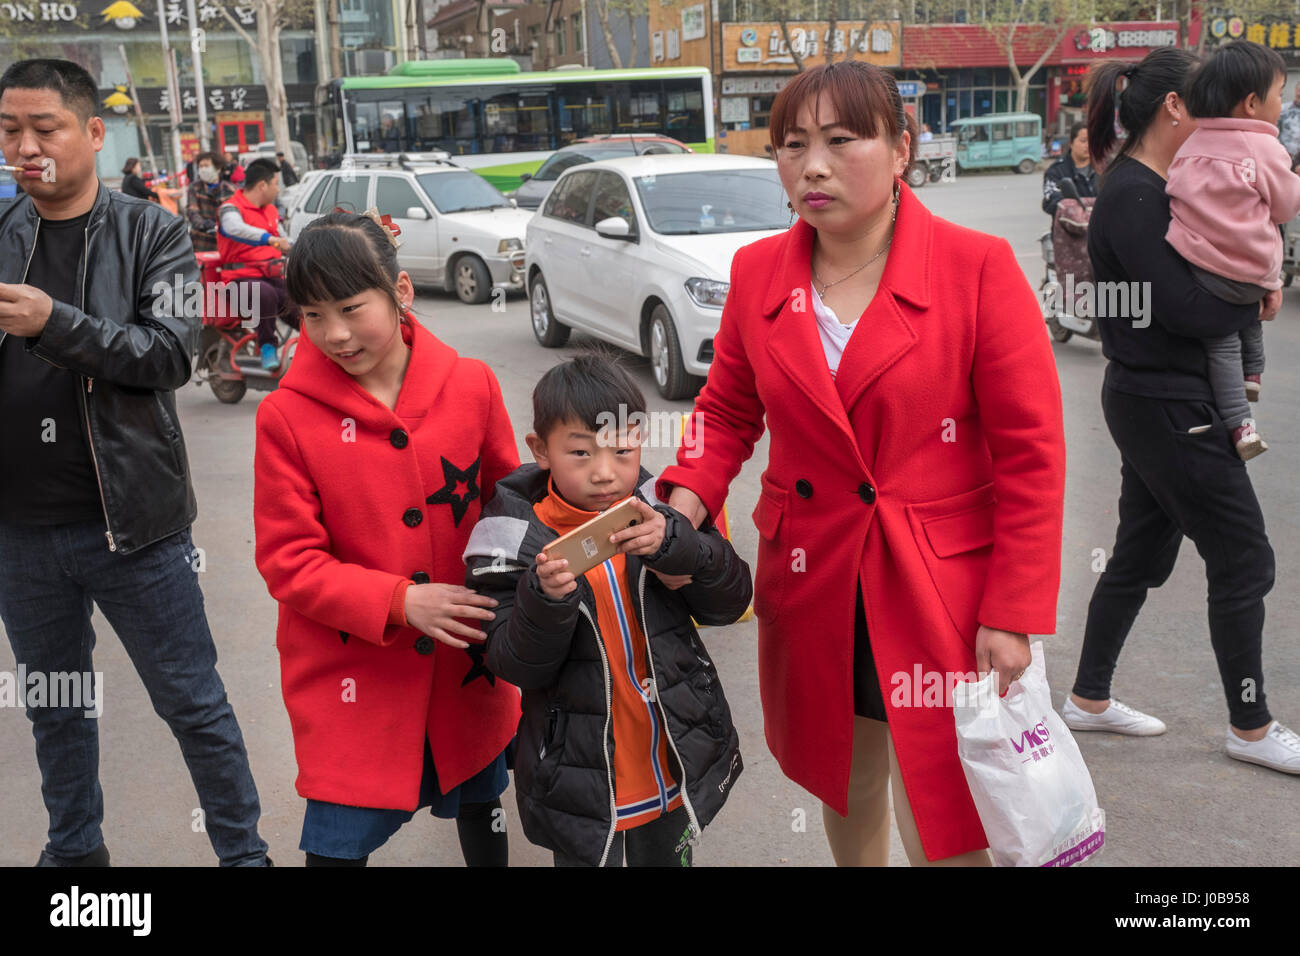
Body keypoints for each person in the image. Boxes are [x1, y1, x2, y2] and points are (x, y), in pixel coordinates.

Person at [656, 60, 1067, 866]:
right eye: (792, 144)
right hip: (816, 576)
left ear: (902, 149)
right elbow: (727, 412)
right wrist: (684, 503)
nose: (812, 165)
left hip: (936, 587)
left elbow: (1032, 455)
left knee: (946, 793)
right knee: (844, 773)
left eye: (842, 141)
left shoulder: (974, 268)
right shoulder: (757, 273)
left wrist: (1013, 611)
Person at [0, 57, 271, 867]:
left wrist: (55, 322)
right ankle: (75, 857)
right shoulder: (2, 233)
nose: (26, 146)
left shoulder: (154, 232)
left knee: (192, 704)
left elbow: (171, 355)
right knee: (56, 707)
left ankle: (242, 855)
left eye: (43, 128)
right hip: (20, 531)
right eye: (10, 130)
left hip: (136, 527)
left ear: (91, 131)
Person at [253, 210, 522, 866]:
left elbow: (511, 506)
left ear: (400, 292)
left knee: (483, 799)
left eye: (350, 307)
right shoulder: (285, 416)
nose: (335, 334)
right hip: (352, 674)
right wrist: (401, 602)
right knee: (338, 839)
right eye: (312, 315)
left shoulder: (471, 385)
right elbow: (289, 562)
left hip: (468, 662)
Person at [1064, 49, 1299, 774]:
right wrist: (1255, 286)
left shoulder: (1153, 187)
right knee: (1244, 556)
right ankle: (1251, 727)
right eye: (1209, 102)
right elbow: (1189, 310)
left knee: (1140, 554)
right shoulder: (1136, 195)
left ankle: (1088, 700)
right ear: (1176, 108)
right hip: (1168, 402)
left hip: (1158, 398)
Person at [463, 352, 751, 867]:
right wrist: (545, 601)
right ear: (541, 449)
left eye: (622, 450)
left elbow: (731, 602)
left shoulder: (657, 509)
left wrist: (683, 550)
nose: (604, 473)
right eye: (580, 454)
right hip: (581, 781)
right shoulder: (512, 540)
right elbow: (511, 662)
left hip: (671, 764)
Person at [1166, 41, 1300, 459]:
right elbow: (1285, 206)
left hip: (1204, 274)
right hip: (1254, 274)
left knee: (1221, 346)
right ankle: (1254, 370)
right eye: (1279, 93)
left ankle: (1241, 425)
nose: (1282, 102)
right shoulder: (1264, 148)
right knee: (1254, 305)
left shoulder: (1189, 147)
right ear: (1251, 103)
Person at [216, 156, 297, 369]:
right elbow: (234, 228)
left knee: (299, 297)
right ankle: (267, 347)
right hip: (237, 282)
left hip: (270, 275)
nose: (278, 190)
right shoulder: (231, 208)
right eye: (275, 184)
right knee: (265, 294)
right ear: (262, 185)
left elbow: (283, 238)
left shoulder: (270, 210)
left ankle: (316, 345)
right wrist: (269, 239)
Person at [1042, 121, 1098, 217]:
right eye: (1083, 141)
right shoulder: (1056, 171)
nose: (1088, 145)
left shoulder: (1104, 168)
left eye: (1092, 141)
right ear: (1071, 143)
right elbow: (1051, 201)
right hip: (1070, 227)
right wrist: (1074, 208)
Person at [186, 150, 235, 253]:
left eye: (206, 166)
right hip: (201, 242)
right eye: (200, 166)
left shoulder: (230, 190)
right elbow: (192, 210)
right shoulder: (194, 188)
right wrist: (202, 224)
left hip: (226, 243)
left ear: (218, 168)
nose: (203, 169)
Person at [1276, 79, 1300, 156]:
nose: (1299, 94)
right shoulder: (1283, 109)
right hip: (1282, 154)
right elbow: (1274, 131)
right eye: (1298, 90)